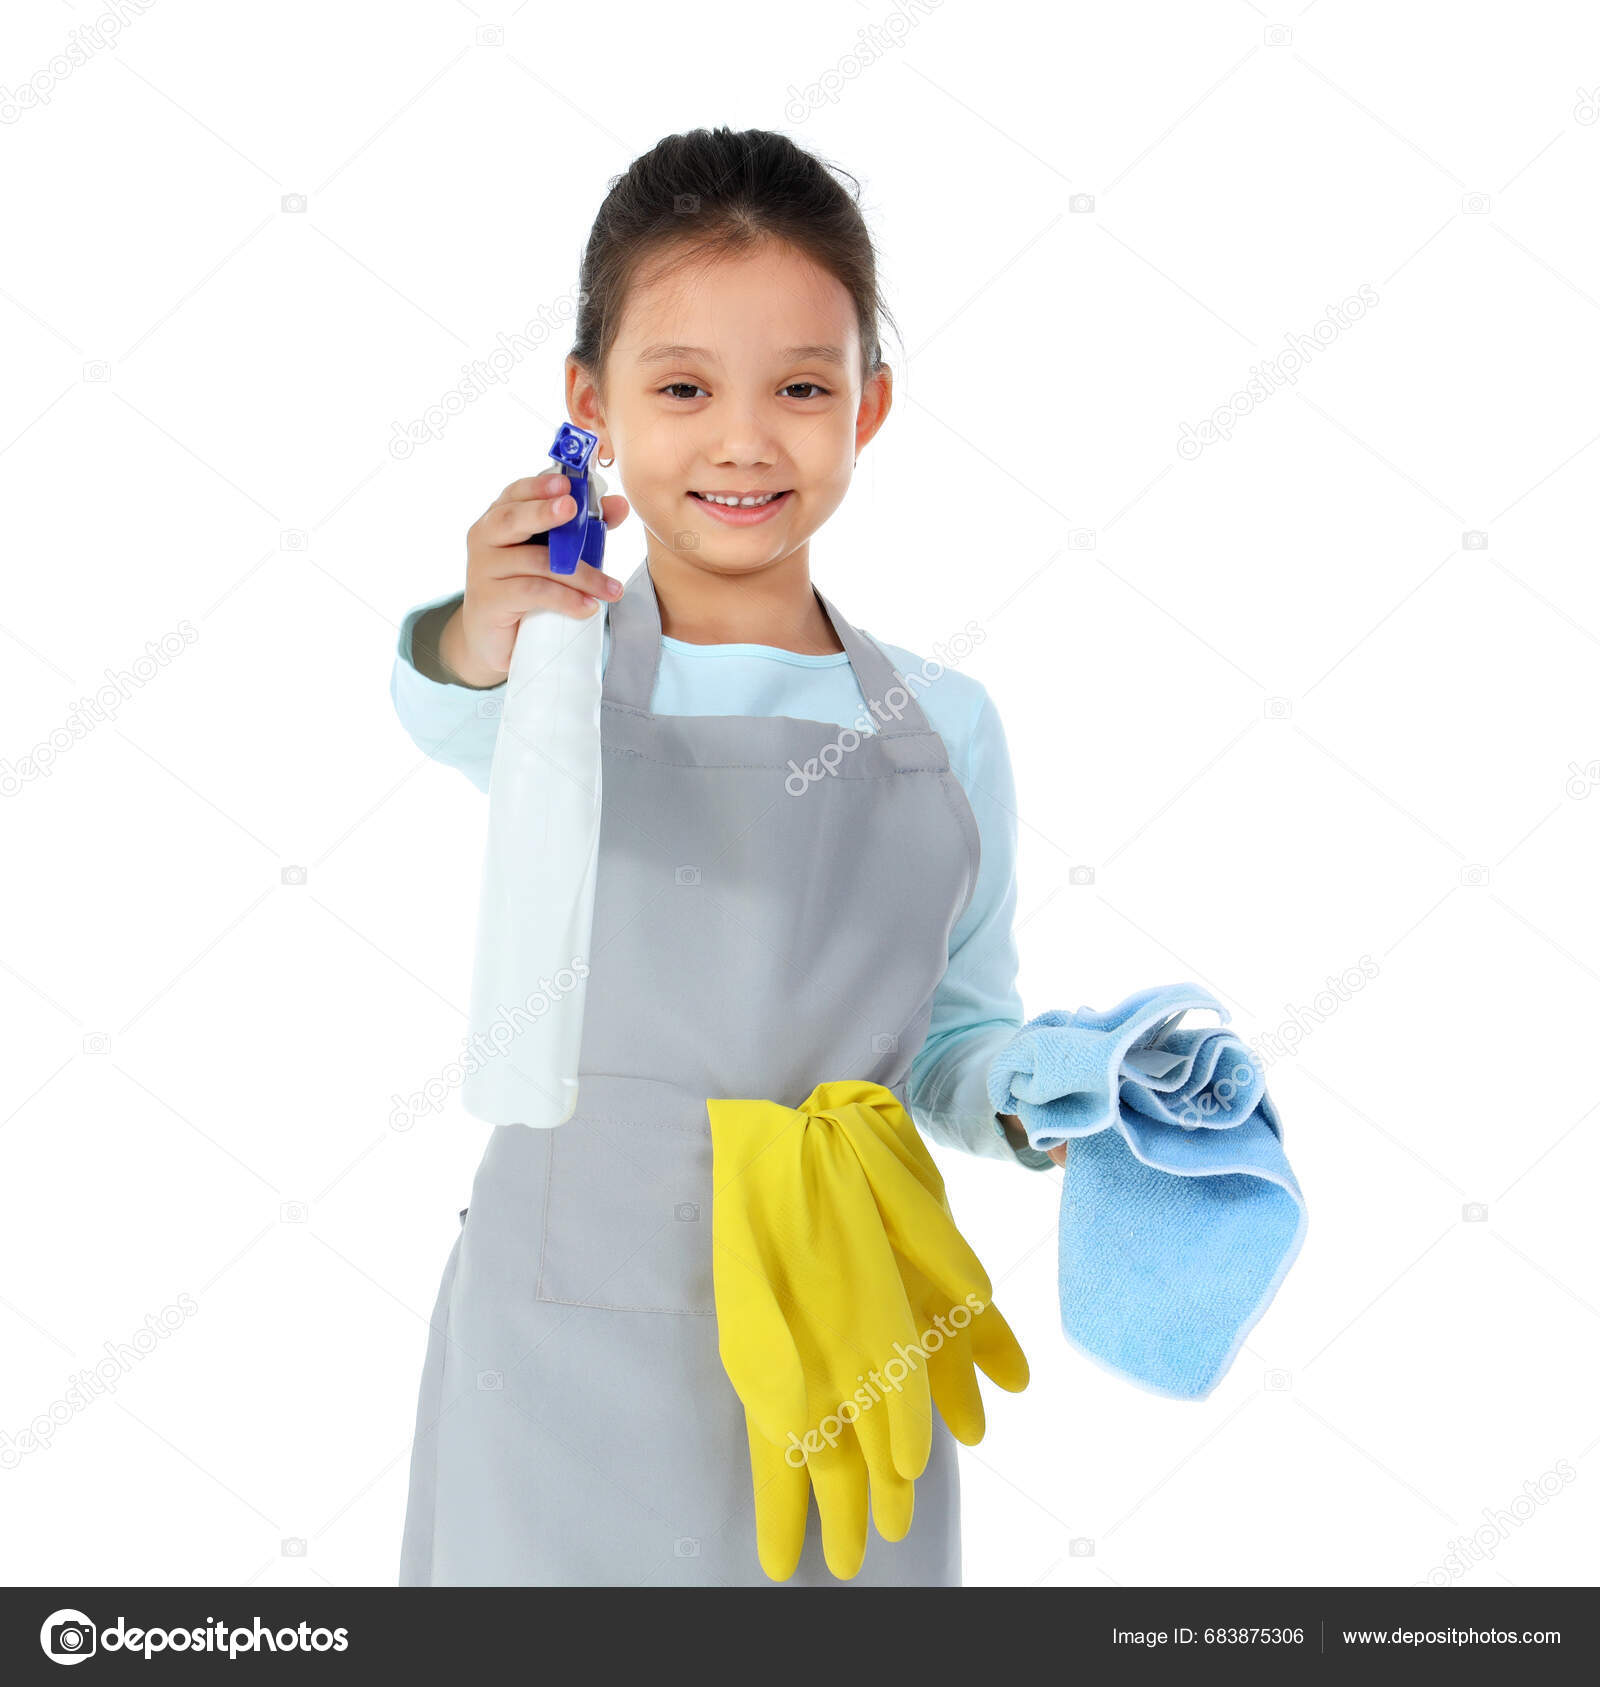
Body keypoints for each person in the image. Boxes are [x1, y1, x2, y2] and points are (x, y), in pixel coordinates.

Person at [391, 125, 1064, 1588]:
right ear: (593, 404)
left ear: (869, 407)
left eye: (802, 389)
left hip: (845, 1331)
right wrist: (482, 626)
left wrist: (1038, 1092)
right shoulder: (552, 678)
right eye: (684, 388)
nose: (745, 439)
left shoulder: (944, 728)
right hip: (561, 1337)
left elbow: (954, 1039)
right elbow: (446, 697)